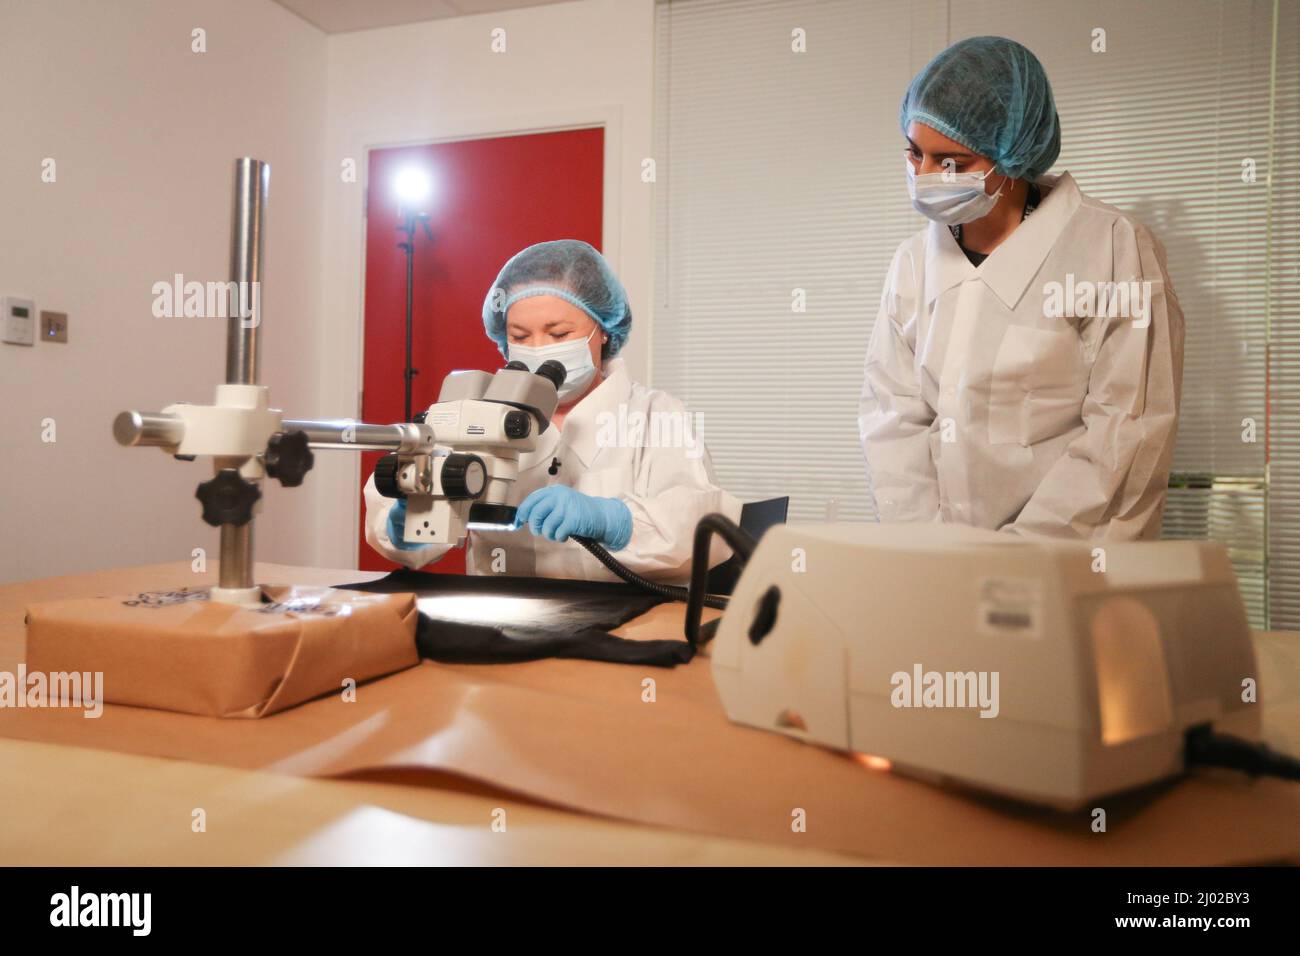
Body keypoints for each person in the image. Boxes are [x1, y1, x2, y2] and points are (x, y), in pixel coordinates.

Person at [859, 35, 1184, 540]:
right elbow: (893, 424)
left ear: (1010, 156)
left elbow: (1124, 435)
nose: (923, 176)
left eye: (950, 163)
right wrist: (929, 552)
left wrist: (1010, 563)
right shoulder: (911, 265)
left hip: (1066, 573)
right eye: (914, 153)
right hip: (936, 574)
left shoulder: (1112, 249)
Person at [365, 239, 741, 580]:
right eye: (519, 337)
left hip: (625, 625)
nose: (539, 349)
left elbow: (703, 528)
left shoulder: (656, 416)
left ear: (604, 329)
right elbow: (407, 540)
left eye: (559, 334)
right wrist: (407, 520)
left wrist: (614, 521)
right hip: (499, 620)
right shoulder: (474, 412)